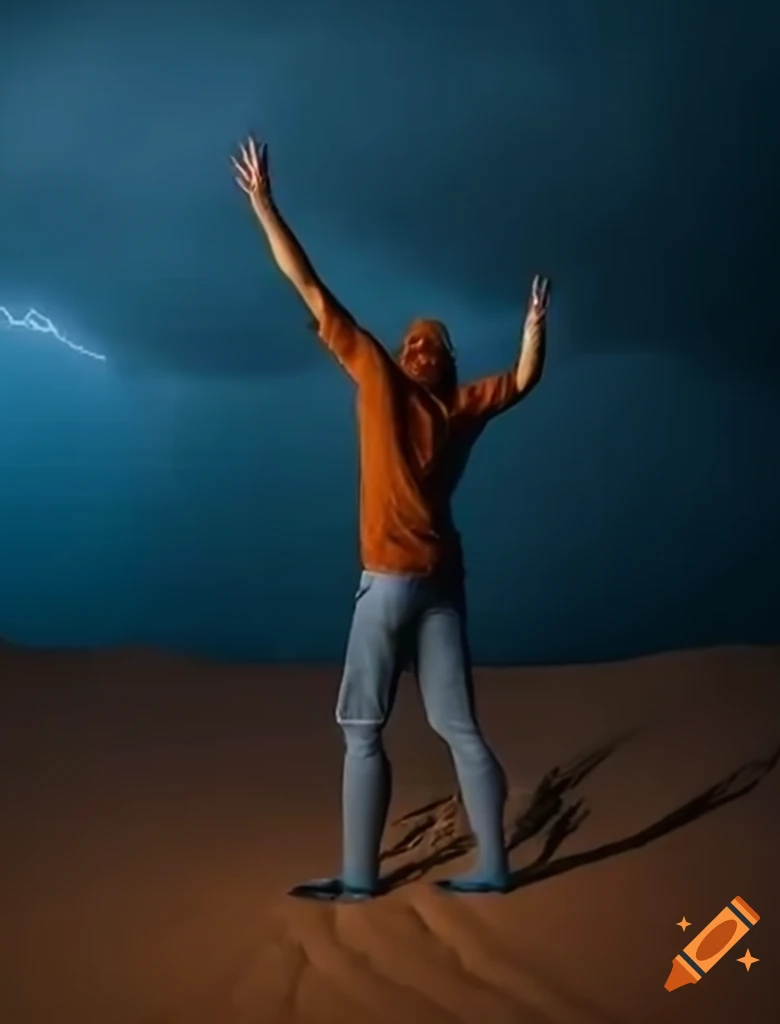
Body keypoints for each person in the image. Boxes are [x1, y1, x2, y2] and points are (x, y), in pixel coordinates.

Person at [232, 136, 549, 902]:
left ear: (431, 360)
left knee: (362, 730)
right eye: (412, 342)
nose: (414, 349)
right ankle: (495, 869)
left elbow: (308, 286)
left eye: (425, 345)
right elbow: (526, 380)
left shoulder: (380, 373)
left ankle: (361, 879)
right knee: (459, 728)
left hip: (389, 584)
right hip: (443, 583)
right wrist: (535, 326)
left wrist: (264, 205)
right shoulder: (464, 405)